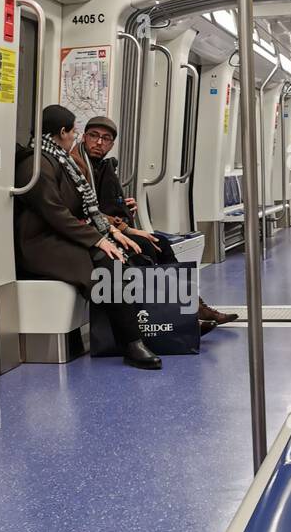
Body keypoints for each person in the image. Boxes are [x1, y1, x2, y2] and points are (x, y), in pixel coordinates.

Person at [14, 105, 162, 370]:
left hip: (59, 236)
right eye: (73, 131)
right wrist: (98, 240)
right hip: (40, 244)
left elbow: (81, 209)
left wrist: (112, 232)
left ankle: (136, 335)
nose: (75, 137)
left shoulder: (60, 160)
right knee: (106, 261)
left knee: (117, 256)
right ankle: (132, 342)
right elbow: (56, 213)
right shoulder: (36, 165)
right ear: (62, 132)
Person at [78, 115, 239, 330]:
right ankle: (179, 316)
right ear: (83, 136)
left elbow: (101, 204)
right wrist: (124, 226)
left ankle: (190, 308)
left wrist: (125, 207)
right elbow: (85, 209)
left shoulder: (101, 166)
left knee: (159, 242)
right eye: (94, 136)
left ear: (112, 144)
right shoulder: (78, 166)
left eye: (105, 139)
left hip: (108, 230)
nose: (99, 143)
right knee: (148, 246)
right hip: (92, 236)